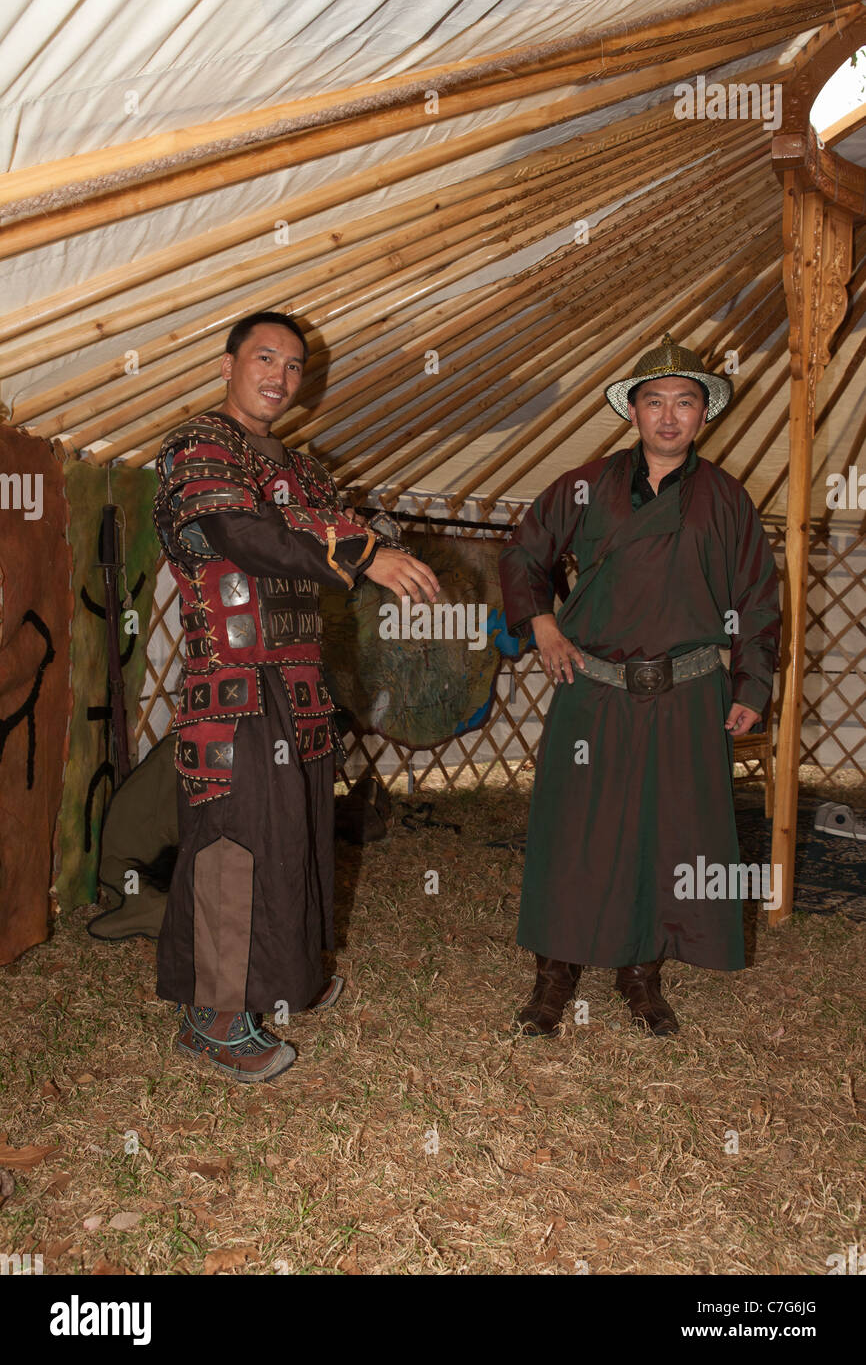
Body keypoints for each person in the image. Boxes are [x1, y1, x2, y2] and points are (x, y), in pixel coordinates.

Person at [153, 311, 438, 1081]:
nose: (278, 377)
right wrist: (365, 555)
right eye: (264, 358)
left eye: (292, 366)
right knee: (234, 839)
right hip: (234, 683)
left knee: (296, 834)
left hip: (302, 684)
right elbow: (241, 532)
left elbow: (332, 526)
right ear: (228, 365)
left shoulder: (306, 468)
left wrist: (371, 542)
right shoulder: (197, 447)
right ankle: (212, 1019)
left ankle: (286, 978)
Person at [499, 333, 780, 1038]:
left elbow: (757, 599)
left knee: (669, 834)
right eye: (655, 401)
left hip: (687, 694)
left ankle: (641, 975)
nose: (669, 416)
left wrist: (751, 686)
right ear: (633, 411)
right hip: (593, 687)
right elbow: (524, 553)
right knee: (574, 831)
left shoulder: (727, 498)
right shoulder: (584, 484)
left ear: (703, 414)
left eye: (684, 402)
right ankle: (554, 976)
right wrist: (543, 624)